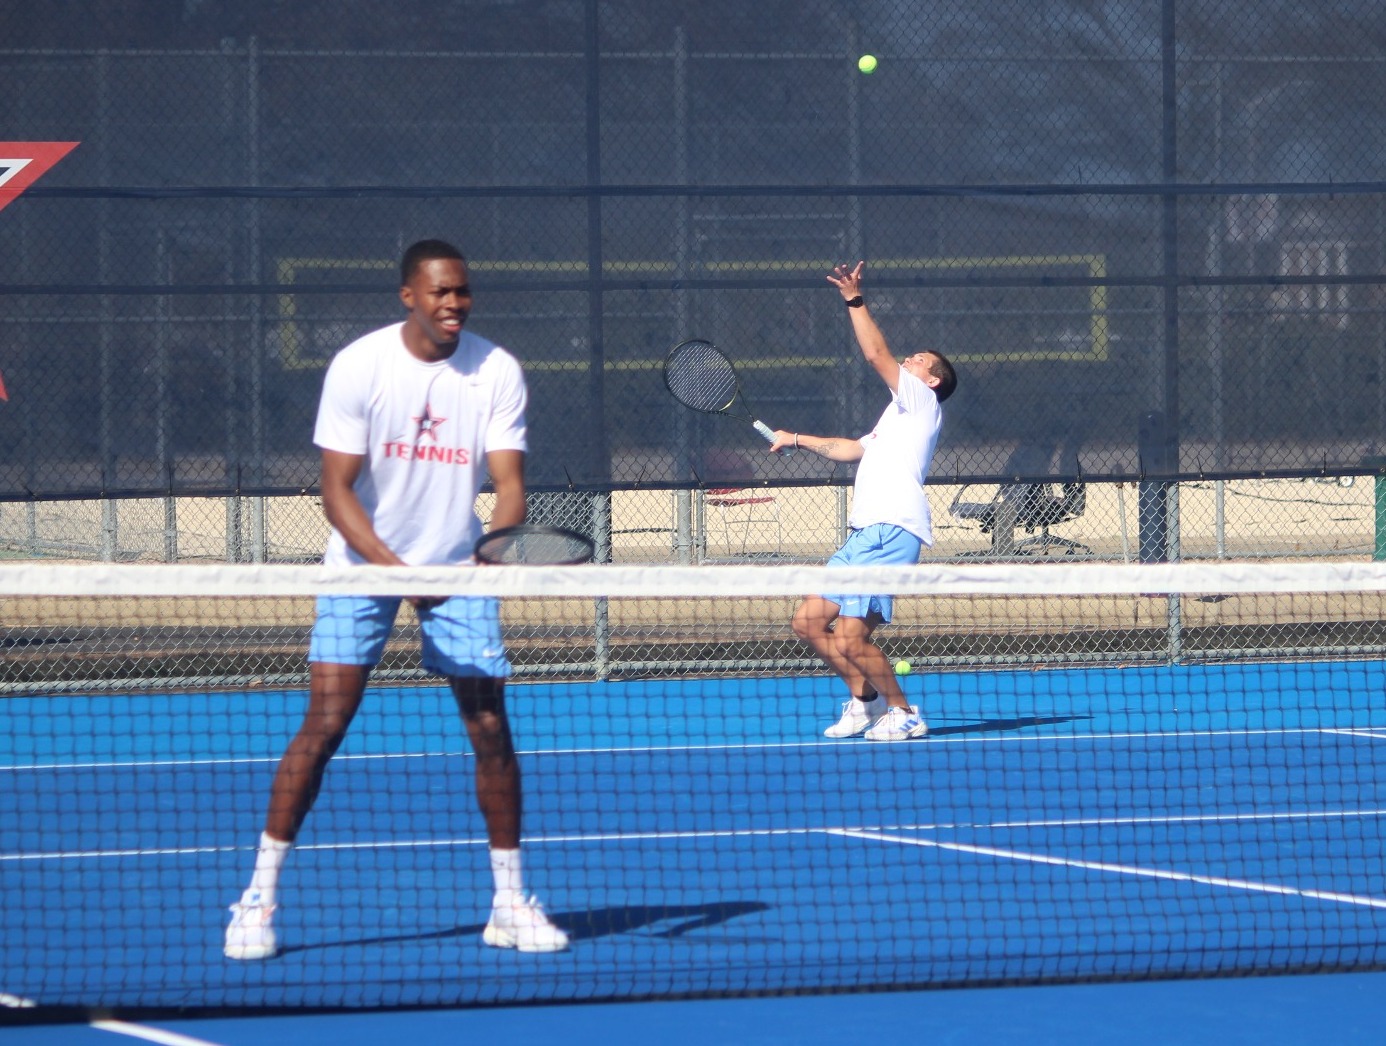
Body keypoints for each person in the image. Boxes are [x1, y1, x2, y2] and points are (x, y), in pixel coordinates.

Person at [224, 239, 568, 958]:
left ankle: (509, 903)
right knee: (324, 726)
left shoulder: (495, 370)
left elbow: (507, 484)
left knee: (491, 732)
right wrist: (398, 571)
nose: (454, 305)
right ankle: (257, 900)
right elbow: (336, 490)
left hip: (458, 568)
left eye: (463, 293)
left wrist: (493, 545)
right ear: (409, 295)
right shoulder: (361, 366)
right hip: (362, 566)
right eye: (440, 293)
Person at [768, 261, 957, 742]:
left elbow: (875, 354)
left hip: (893, 530)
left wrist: (855, 300)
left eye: (917, 360)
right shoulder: (894, 416)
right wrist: (796, 439)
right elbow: (849, 449)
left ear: (930, 380)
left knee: (852, 636)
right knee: (808, 623)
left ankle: (904, 711)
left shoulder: (921, 402)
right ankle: (865, 701)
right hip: (861, 535)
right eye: (910, 358)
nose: (909, 361)